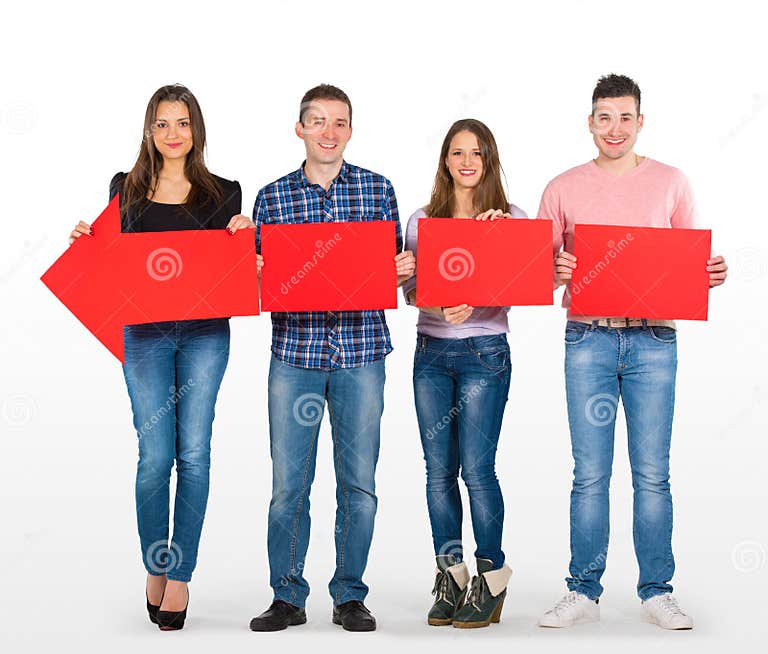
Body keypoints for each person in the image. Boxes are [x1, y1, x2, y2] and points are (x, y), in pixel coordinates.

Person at [537, 74, 728, 630]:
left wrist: (710, 273)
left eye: (624, 117)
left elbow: (690, 261)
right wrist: (555, 269)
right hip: (587, 339)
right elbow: (535, 274)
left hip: (653, 341)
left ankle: (656, 590)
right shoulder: (562, 187)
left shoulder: (671, 181)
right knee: (589, 474)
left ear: (640, 122)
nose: (614, 128)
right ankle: (583, 589)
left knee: (652, 473)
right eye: (604, 117)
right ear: (590, 122)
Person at [68, 84, 255, 631]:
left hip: (205, 334)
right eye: (162, 124)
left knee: (193, 453)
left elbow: (234, 268)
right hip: (145, 334)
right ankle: (157, 562)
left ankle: (181, 575)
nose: (173, 134)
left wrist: (244, 234)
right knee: (155, 456)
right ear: (149, 131)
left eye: (183, 123)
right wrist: (87, 240)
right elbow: (110, 262)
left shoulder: (224, 193)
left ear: (196, 129)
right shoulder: (124, 189)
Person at [248, 84, 415, 633]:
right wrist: (253, 271)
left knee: (359, 483)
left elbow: (390, 270)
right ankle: (287, 596)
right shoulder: (272, 198)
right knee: (287, 486)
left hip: (361, 353)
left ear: (350, 131)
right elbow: (258, 281)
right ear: (299, 128)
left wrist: (403, 270)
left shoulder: (377, 189)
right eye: (317, 121)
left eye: (339, 122)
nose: (329, 132)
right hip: (295, 355)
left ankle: (349, 595)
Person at [401, 119, 522, 628]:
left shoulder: (512, 217)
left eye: (477, 152)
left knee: (477, 470)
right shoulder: (422, 220)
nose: (467, 161)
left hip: (485, 353)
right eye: (457, 152)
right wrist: (436, 304)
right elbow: (410, 291)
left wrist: (502, 237)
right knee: (438, 472)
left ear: (489, 160)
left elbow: (527, 281)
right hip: (431, 353)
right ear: (445, 161)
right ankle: (450, 575)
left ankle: (491, 577)